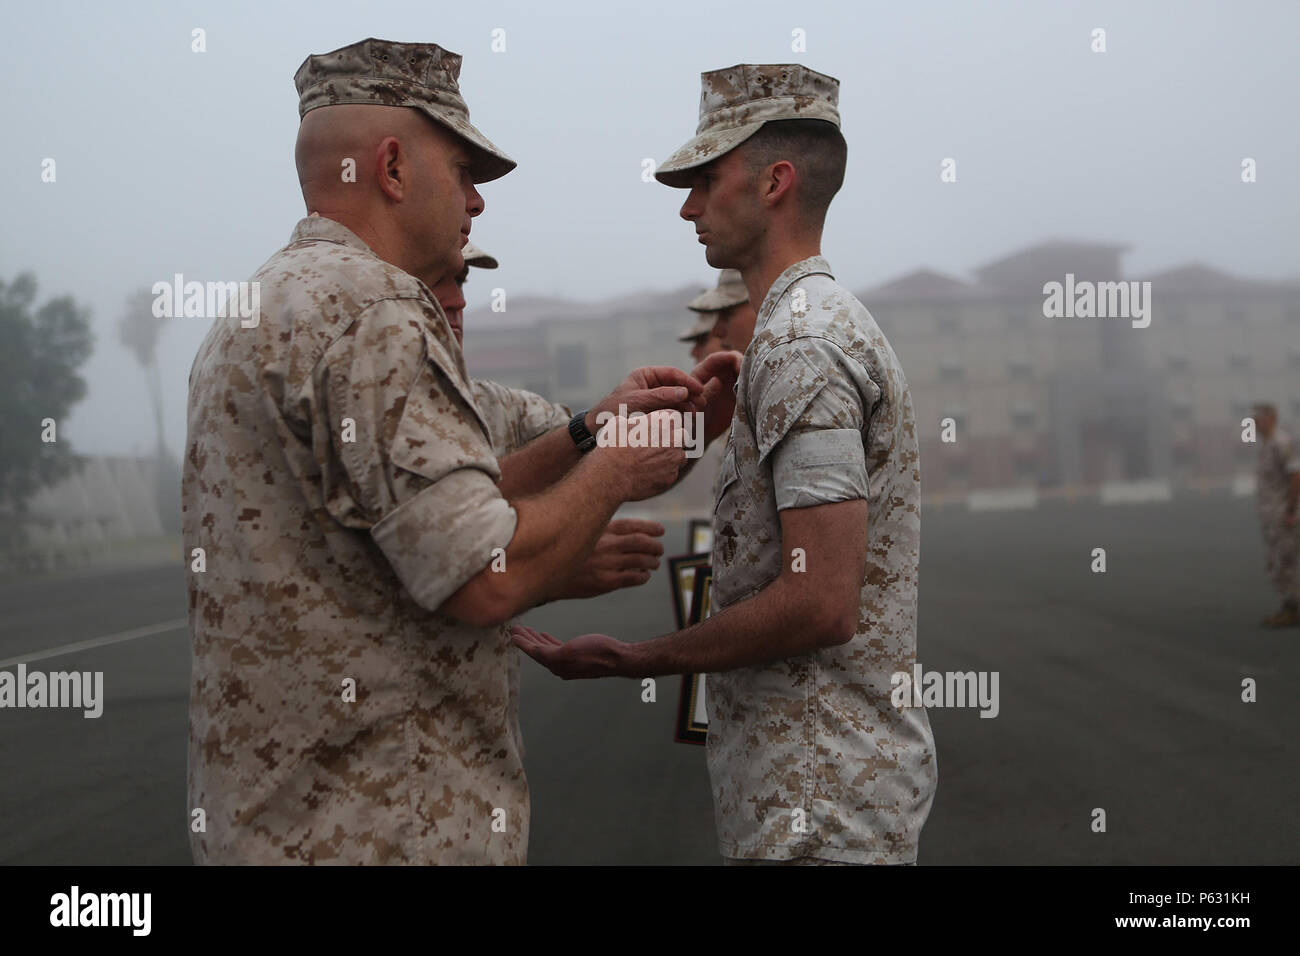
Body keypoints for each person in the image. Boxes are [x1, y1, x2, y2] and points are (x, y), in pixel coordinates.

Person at [183, 38, 712, 865]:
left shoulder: (264, 305)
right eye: (464, 171)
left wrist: (622, 428)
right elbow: (484, 575)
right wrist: (616, 469)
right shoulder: (375, 310)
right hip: (385, 832)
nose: (476, 202)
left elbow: (470, 473)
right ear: (392, 168)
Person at [514, 63, 937, 866]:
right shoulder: (791, 335)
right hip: (807, 793)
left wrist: (636, 660)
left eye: (705, 179)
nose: (687, 205)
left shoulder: (805, 344)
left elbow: (821, 604)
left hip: (820, 806)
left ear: (775, 181)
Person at [1252, 403, 1300, 627]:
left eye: (1257, 418)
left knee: (1285, 562)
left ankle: (1292, 609)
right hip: (1270, 515)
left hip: (1283, 515)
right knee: (1276, 563)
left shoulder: (1281, 443)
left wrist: (1291, 509)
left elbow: (1295, 475)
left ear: (1271, 418)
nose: (1253, 423)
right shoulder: (1264, 445)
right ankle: (1289, 606)